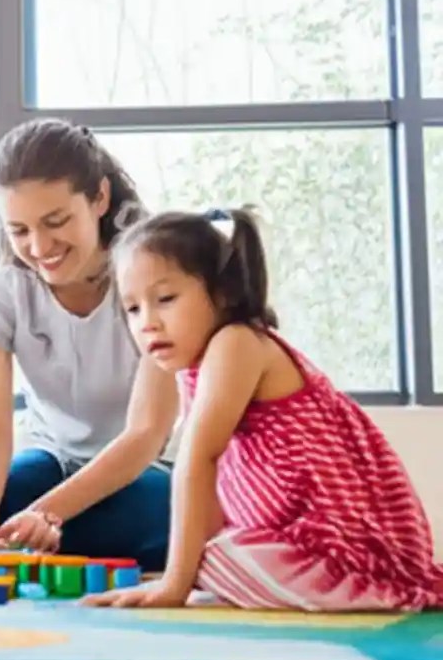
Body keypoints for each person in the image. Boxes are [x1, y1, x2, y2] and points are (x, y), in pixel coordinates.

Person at [84, 208, 443, 610]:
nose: (147, 322)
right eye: (133, 309)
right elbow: (217, 485)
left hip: (344, 551)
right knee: (211, 554)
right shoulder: (195, 366)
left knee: (214, 558)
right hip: (294, 542)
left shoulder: (236, 342)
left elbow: (198, 458)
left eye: (165, 299)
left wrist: (174, 584)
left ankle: (373, 593)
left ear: (223, 294)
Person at [0, 118, 177, 571]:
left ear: (99, 197)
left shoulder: (150, 282)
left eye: (56, 221)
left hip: (147, 469)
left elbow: (146, 434)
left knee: (170, 515)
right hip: (53, 460)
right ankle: (25, 542)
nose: (40, 246)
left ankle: (33, 543)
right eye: (19, 230)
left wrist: (47, 513)